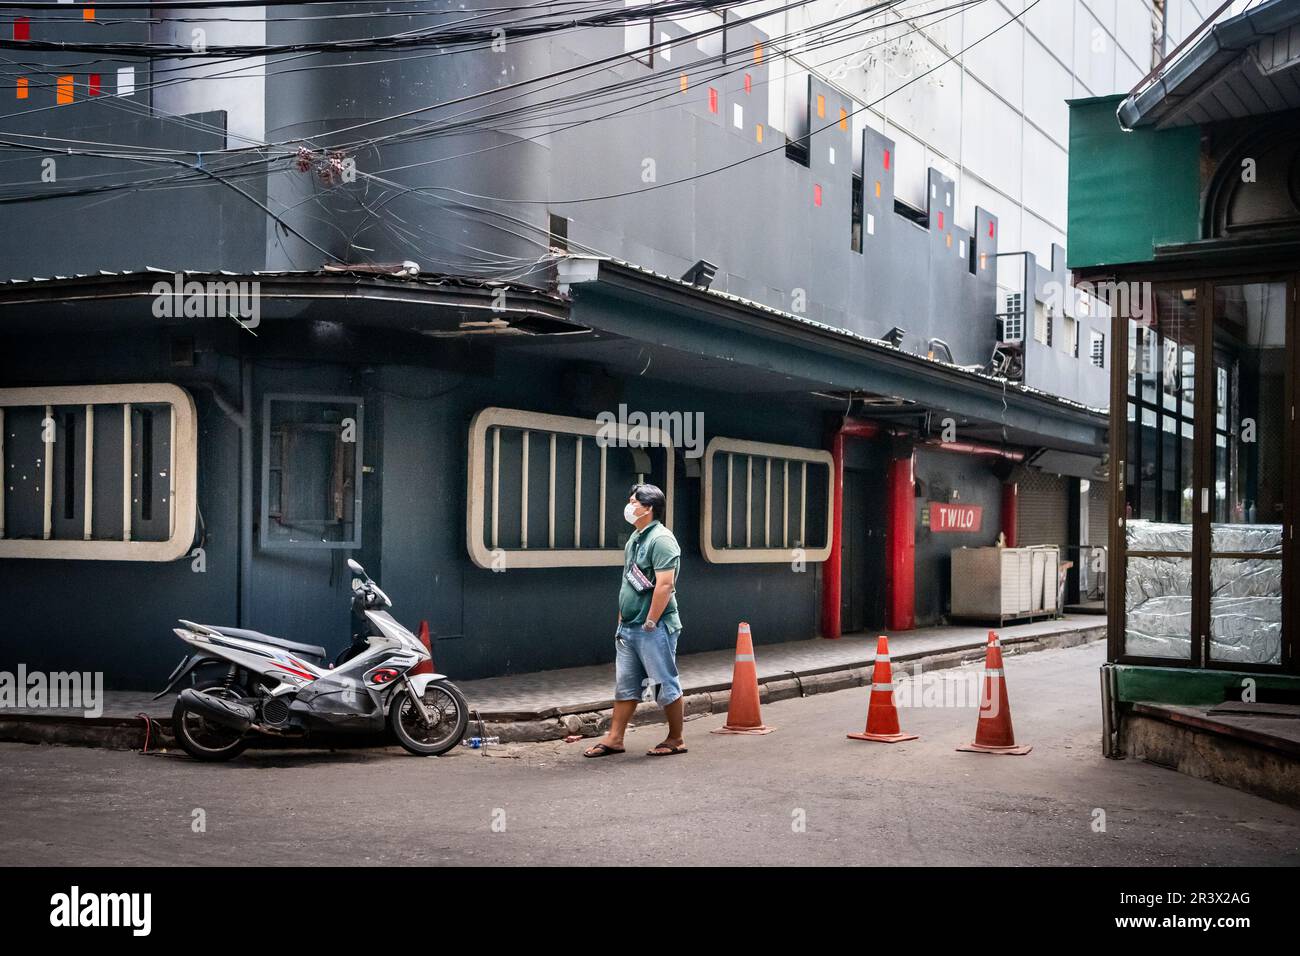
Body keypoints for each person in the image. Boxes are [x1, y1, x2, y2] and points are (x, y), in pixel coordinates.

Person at [584, 483, 686, 758]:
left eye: (634, 502)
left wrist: (651, 621)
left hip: (654, 626)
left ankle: (676, 738)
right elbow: (629, 580)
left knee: (663, 682)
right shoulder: (635, 538)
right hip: (629, 626)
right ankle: (615, 738)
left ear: (649, 507)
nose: (629, 507)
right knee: (627, 684)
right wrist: (622, 618)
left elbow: (665, 585)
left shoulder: (661, 540)